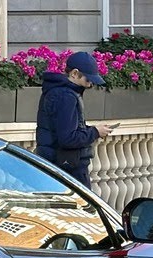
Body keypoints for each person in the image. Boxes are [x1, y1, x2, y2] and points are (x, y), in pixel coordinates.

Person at [35, 51, 116, 189]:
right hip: (68, 167)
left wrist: (93, 130)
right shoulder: (66, 96)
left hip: (57, 164)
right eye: (88, 80)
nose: (89, 85)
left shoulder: (57, 91)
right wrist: (95, 132)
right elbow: (68, 139)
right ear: (74, 73)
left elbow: (64, 129)